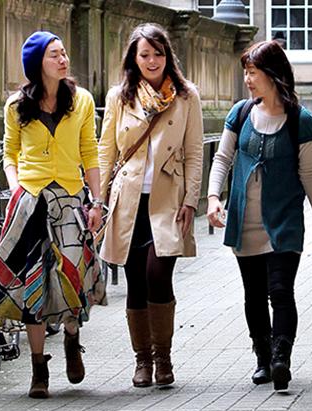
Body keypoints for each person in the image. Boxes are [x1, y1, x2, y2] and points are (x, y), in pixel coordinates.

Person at [0, 31, 106, 399]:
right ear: (38, 64)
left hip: (69, 198)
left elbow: (90, 152)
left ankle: (72, 338)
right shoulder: (15, 106)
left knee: (70, 277)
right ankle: (39, 367)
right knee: (31, 282)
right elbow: (9, 154)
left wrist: (96, 202)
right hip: (31, 200)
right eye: (55, 55)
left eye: (64, 53)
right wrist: (15, 188)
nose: (63, 59)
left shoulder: (81, 100)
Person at [206, 40, 312, 391]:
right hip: (245, 220)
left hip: (284, 223)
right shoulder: (240, 113)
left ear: (272, 75)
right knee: (254, 294)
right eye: (246, 71)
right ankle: (262, 357)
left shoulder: (300, 122)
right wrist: (214, 197)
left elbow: (309, 173)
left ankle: (280, 358)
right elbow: (223, 159)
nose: (247, 78)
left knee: (280, 290)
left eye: (253, 72)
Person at [98, 23, 203, 388]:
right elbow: (106, 151)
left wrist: (192, 199)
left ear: (167, 55)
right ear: (133, 57)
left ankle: (164, 357)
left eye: (158, 53)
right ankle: (142, 360)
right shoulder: (119, 96)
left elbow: (193, 153)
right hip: (127, 200)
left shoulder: (186, 96)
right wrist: (98, 201)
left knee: (158, 274)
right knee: (134, 281)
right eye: (145, 54)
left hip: (168, 199)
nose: (152, 61)